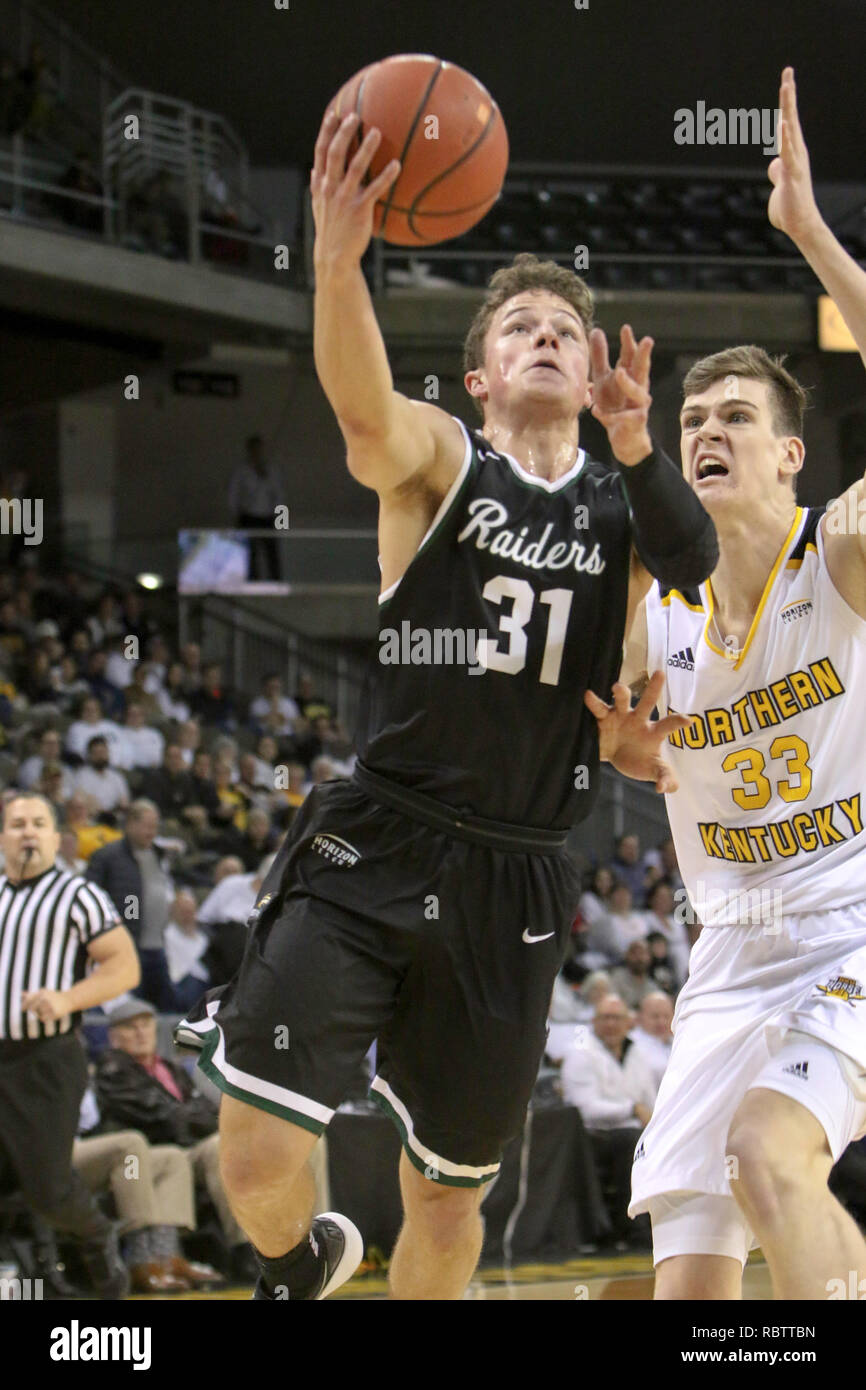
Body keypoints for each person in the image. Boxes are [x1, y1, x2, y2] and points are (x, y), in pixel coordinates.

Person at [175, 104, 716, 1303]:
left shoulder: (623, 512)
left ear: (590, 372)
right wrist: (332, 253)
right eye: (517, 325)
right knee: (255, 1149)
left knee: (447, 1197)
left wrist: (627, 733)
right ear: (475, 378)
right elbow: (362, 407)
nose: (542, 336)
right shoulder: (437, 459)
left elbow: (689, 566)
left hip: (514, 873)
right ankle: (295, 1260)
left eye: (563, 330)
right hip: (379, 833)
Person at [588, 70, 866, 1300]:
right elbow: (618, 749)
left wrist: (806, 232)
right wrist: (629, 757)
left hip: (845, 928)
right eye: (691, 412)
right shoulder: (653, 619)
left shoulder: (841, 552)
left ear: (788, 454)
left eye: (733, 414)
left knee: (767, 1156)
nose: (704, 426)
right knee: (691, 1299)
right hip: (721, 959)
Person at [0, 791, 139, 1298]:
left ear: (57, 837)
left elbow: (124, 966)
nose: (28, 832)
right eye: (17, 824)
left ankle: (99, 1236)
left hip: (45, 1060)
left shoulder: (76, 894)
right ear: (2, 837)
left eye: (39, 823)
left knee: (48, 1189)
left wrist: (66, 998)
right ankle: (37, 1282)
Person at [95, 999, 247, 1283]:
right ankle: (154, 1258)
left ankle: (245, 1248)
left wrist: (189, 1118)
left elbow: (209, 1112)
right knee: (191, 1152)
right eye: (131, 1027)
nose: (141, 1032)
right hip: (137, 1158)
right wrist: (190, 1118)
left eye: (146, 1024)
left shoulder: (170, 1068)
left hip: (183, 1146)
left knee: (224, 1143)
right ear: (113, 1036)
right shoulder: (112, 1069)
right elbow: (159, 1117)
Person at [560, 995, 656, 1249]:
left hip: (632, 1130)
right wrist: (632, 1109)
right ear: (594, 1021)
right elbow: (585, 1108)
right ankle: (635, 1230)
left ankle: (669, 1224)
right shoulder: (579, 1053)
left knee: (661, 1139)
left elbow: (650, 1100)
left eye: (617, 1018)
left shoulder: (637, 1053)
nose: (611, 1024)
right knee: (631, 1143)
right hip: (592, 1136)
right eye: (605, 1018)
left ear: (629, 1022)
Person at [87, 800, 176, 1012]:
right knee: (131, 1007)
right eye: (147, 826)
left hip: (157, 945)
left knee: (164, 1006)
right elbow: (91, 896)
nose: (151, 832)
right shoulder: (108, 856)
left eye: (155, 826)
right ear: (130, 825)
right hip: (127, 946)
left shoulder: (158, 854)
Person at [228, 436, 283, 581]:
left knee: (271, 551)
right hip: (248, 516)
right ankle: (252, 582)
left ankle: (275, 581)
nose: (257, 452)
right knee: (249, 553)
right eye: (254, 449)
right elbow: (233, 495)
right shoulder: (241, 471)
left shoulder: (272, 470)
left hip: (268, 517)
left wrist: (282, 521)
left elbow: (279, 495)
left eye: (259, 449)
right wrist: (236, 516)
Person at [629, 992, 675, 1095]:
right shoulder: (630, 1044)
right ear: (640, 1017)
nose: (661, 1022)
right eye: (655, 1016)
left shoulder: (678, 1041)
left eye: (666, 1016)